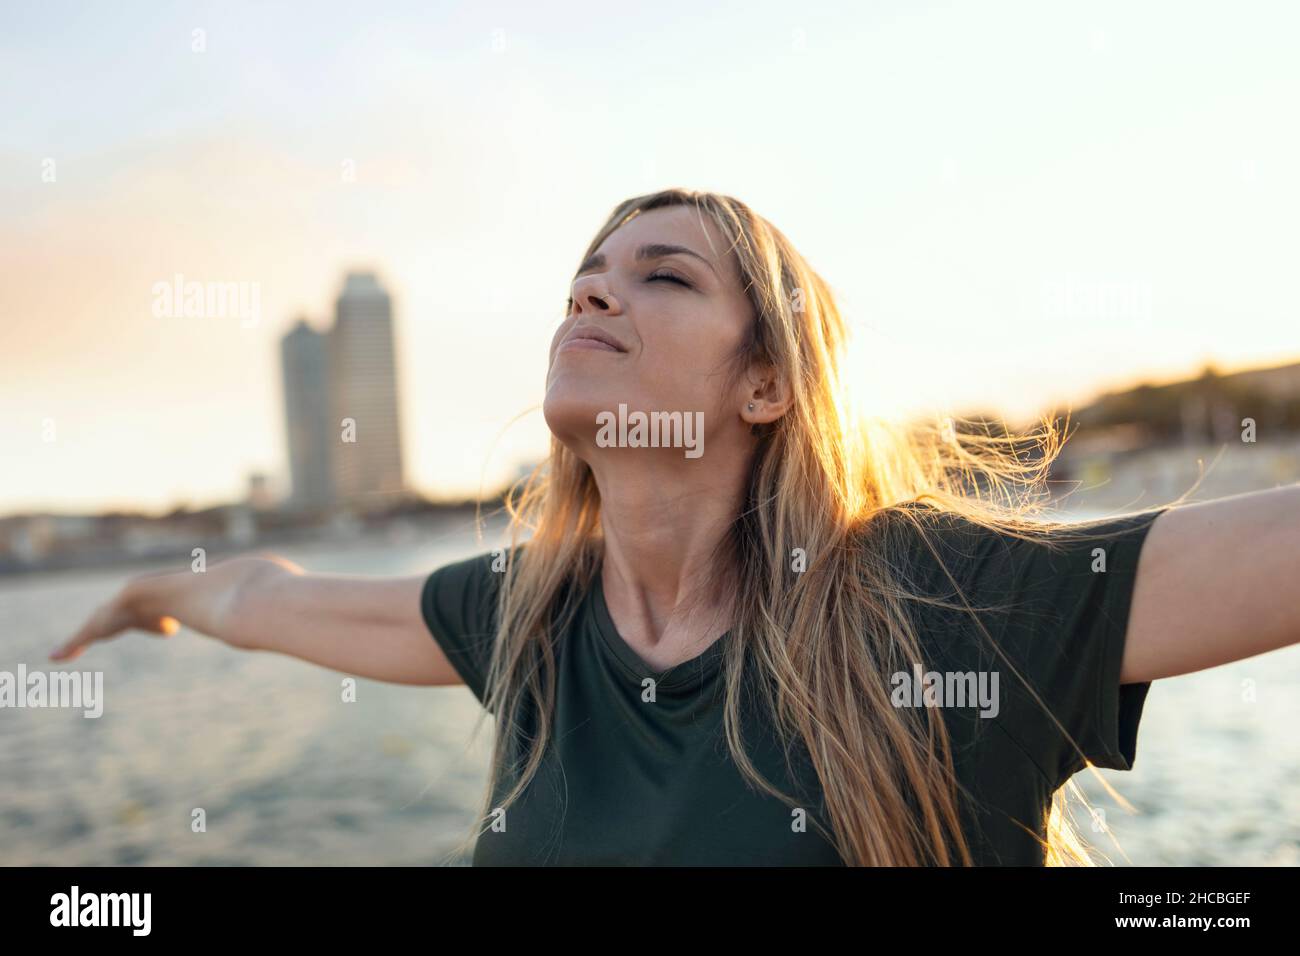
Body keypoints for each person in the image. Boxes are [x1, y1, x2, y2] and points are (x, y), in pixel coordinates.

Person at [53, 189, 1300, 866]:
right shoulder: (527, 615)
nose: (593, 287)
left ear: (765, 385)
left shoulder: (935, 599)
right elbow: (267, 597)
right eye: (586, 275)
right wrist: (144, 593)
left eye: (663, 273)